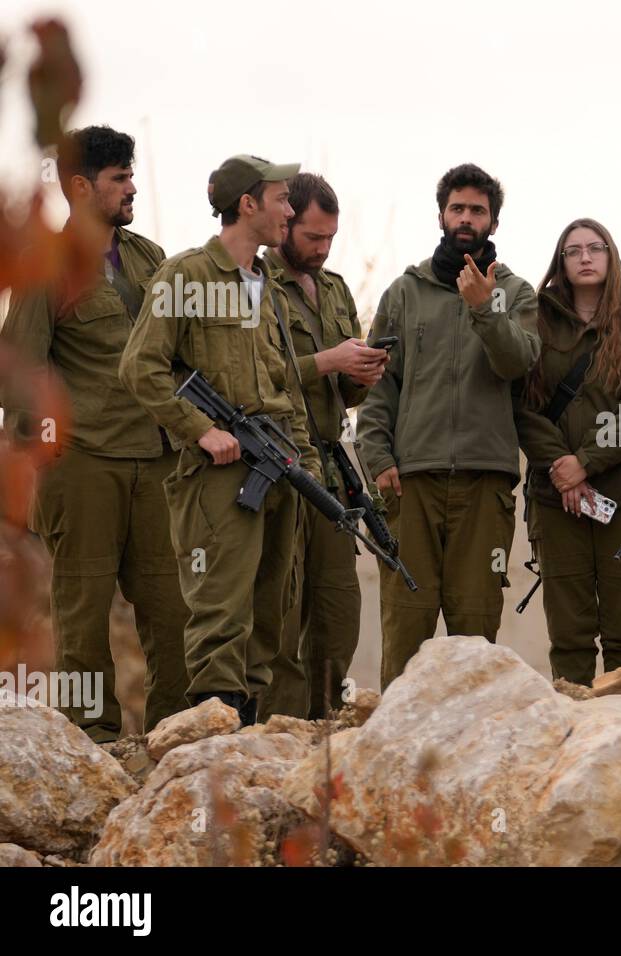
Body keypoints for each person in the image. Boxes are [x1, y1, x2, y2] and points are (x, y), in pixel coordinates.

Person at [0, 125, 188, 740]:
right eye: (120, 178)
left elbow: (179, 354)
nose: (132, 188)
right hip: (83, 464)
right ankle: (95, 742)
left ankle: (175, 737)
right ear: (81, 187)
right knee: (82, 615)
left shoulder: (150, 259)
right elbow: (18, 373)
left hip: (156, 459)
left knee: (172, 608)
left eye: (132, 175)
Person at [120, 154, 320, 725]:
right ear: (247, 204)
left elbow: (285, 386)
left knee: (268, 611)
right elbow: (140, 368)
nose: (290, 211)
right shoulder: (185, 275)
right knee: (221, 611)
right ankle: (214, 741)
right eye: (281, 199)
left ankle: (247, 734)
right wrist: (201, 430)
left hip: (277, 466)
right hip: (219, 475)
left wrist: (307, 465)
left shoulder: (270, 288)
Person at [357, 163, 540, 689]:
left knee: (475, 634)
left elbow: (518, 362)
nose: (466, 218)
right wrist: (377, 458)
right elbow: (378, 384)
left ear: (493, 223)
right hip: (410, 483)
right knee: (405, 627)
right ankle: (397, 735)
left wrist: (484, 310)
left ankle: (473, 736)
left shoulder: (516, 293)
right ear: (441, 215)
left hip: (485, 484)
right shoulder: (403, 292)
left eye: (477, 211)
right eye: (457, 208)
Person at [514, 219, 621, 686]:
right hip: (556, 498)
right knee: (569, 635)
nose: (585, 257)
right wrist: (561, 467)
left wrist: (583, 463)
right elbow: (521, 403)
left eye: (595, 248)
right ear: (560, 262)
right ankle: (574, 722)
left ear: (611, 254)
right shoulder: (535, 318)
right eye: (573, 251)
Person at [262, 173, 388, 719]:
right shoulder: (255, 284)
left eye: (330, 238)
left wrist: (362, 373)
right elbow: (255, 374)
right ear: (286, 223)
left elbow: (346, 394)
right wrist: (328, 360)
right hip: (279, 461)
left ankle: (328, 725)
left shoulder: (333, 288)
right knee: (282, 611)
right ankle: (280, 728)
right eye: (313, 237)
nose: (322, 249)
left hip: (332, 468)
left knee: (338, 608)